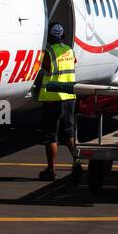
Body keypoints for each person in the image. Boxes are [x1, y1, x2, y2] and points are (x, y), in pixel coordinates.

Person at [34, 23, 82, 185]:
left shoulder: (48, 52)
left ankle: (51, 170)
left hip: (53, 98)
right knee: (69, 133)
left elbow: (44, 69)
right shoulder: (69, 50)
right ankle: (77, 163)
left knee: (51, 136)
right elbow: (73, 63)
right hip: (69, 97)